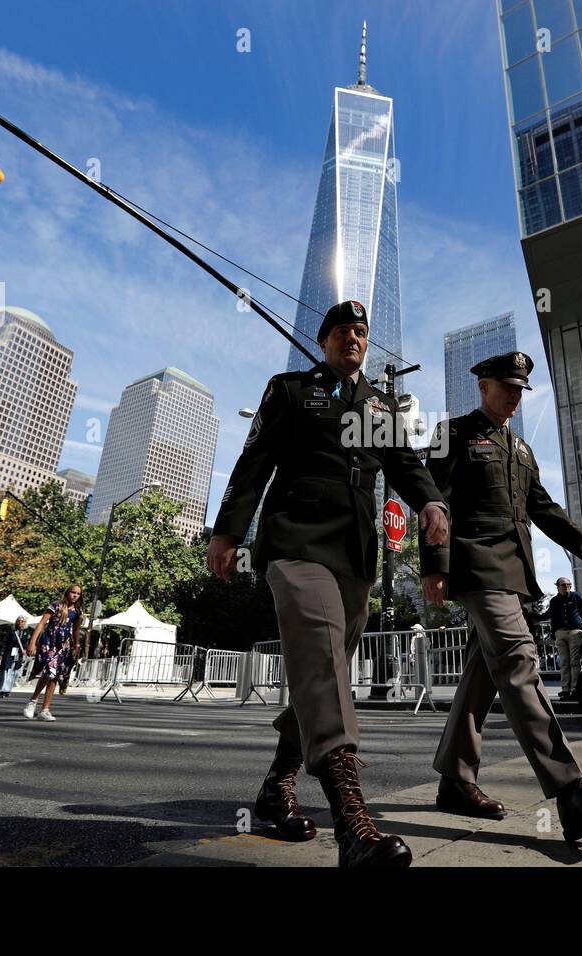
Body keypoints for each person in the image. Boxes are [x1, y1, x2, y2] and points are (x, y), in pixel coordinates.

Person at [208, 299, 448, 868]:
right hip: (295, 542)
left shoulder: (380, 404)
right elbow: (253, 464)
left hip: (355, 555)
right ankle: (353, 826)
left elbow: (407, 463)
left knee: (326, 674)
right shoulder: (289, 390)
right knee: (322, 660)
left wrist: (432, 501)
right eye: (343, 331)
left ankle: (276, 786)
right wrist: (227, 533)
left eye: (361, 332)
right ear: (324, 342)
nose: (354, 338)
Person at [421, 351, 582, 845]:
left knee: (482, 674)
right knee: (519, 663)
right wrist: (435, 566)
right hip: (475, 567)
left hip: (517, 575)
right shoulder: (451, 433)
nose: (516, 397)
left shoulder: (520, 448)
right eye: (509, 387)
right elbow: (431, 501)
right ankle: (570, 791)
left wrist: (578, 538)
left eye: (521, 390)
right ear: (484, 386)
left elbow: (539, 504)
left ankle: (455, 781)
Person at [23, 586, 83, 721]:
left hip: (64, 645)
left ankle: (45, 709)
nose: (75, 595)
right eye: (73, 592)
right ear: (67, 593)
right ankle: (33, 701)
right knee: (50, 671)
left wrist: (77, 645)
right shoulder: (56, 605)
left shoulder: (78, 611)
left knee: (54, 675)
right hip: (49, 641)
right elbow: (42, 623)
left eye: (78, 594)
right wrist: (32, 642)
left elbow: (76, 630)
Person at [545, 576, 582, 700]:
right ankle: (565, 690)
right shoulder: (554, 601)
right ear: (557, 587)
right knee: (564, 662)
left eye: (568, 585)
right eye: (563, 585)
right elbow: (549, 614)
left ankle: (575, 689)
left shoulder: (575, 596)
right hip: (560, 633)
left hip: (575, 632)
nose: (567, 587)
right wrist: (535, 618)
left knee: (575, 662)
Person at [0, 615, 31, 697]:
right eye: (19, 621)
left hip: (19, 654)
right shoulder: (11, 632)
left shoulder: (27, 632)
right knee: (6, 671)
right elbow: (4, 642)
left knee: (14, 672)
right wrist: (0, 653)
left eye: (22, 621)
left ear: (25, 623)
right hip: (9, 653)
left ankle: (8, 689)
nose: (20, 623)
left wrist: (25, 649)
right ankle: (3, 690)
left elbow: (27, 643)